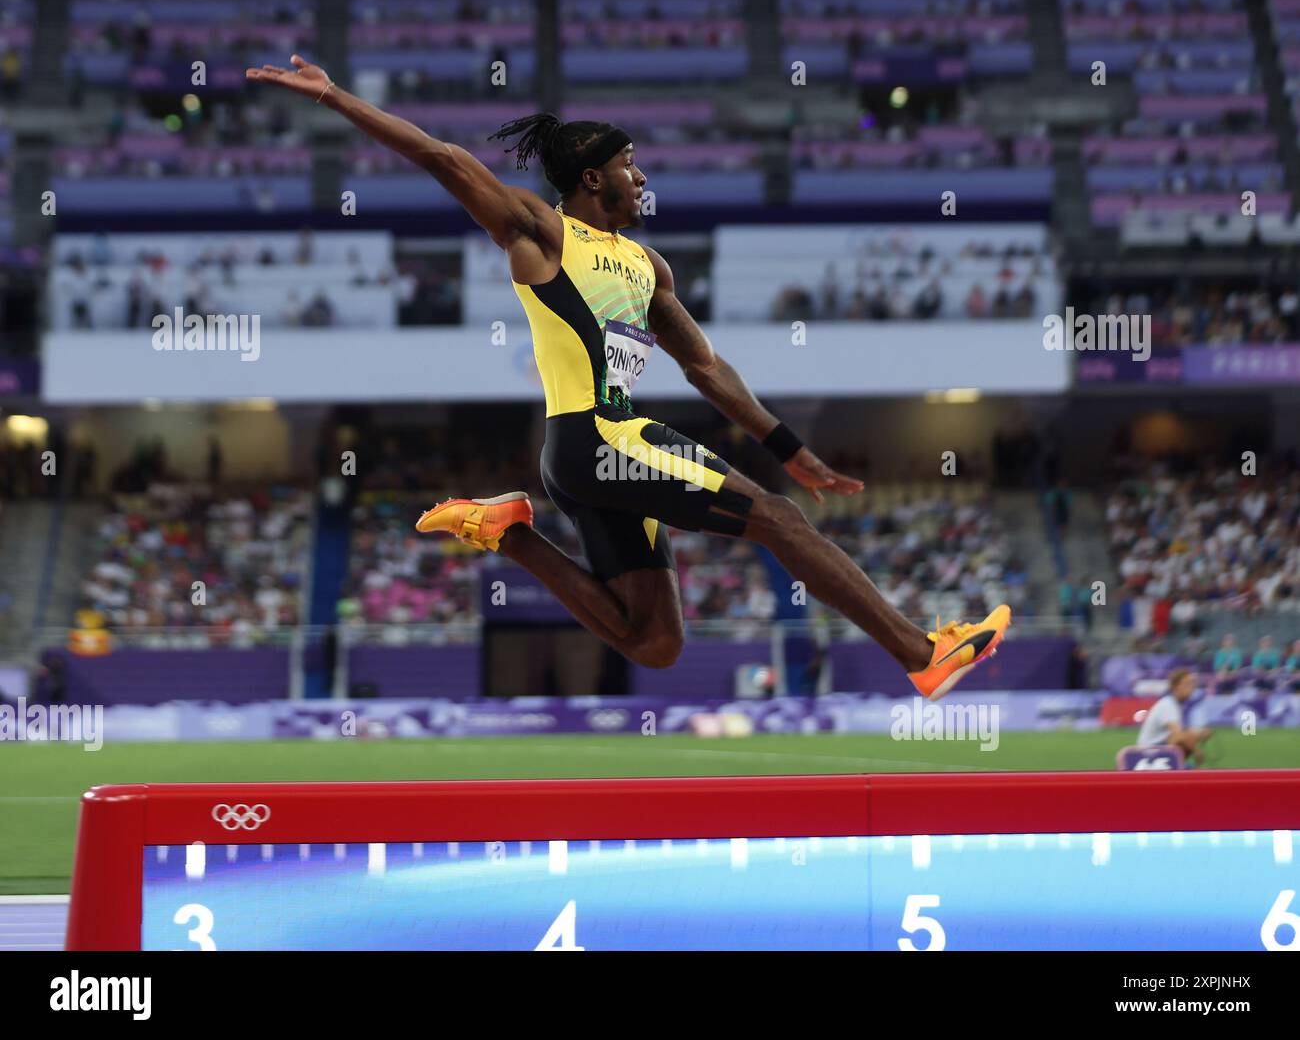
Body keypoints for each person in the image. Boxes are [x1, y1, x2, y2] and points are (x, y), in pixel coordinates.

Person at [247, 56, 1011, 698]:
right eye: (628, 165)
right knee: (776, 519)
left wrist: (787, 443)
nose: (641, 177)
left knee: (654, 640)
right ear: (590, 178)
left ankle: (511, 536)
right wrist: (338, 98)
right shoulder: (545, 232)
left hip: (590, 460)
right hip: (598, 434)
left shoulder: (649, 266)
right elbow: (444, 159)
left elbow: (706, 367)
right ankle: (922, 653)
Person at [1136, 668, 1212, 764]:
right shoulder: (1168, 705)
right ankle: (1177, 767)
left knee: (1192, 734)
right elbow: (1177, 735)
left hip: (1154, 751)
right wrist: (1196, 751)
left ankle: (1179, 766)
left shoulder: (1174, 704)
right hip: (1147, 755)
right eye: (1187, 684)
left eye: (1192, 684)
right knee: (1189, 735)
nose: (1192, 687)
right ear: (1176, 686)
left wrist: (1200, 734)